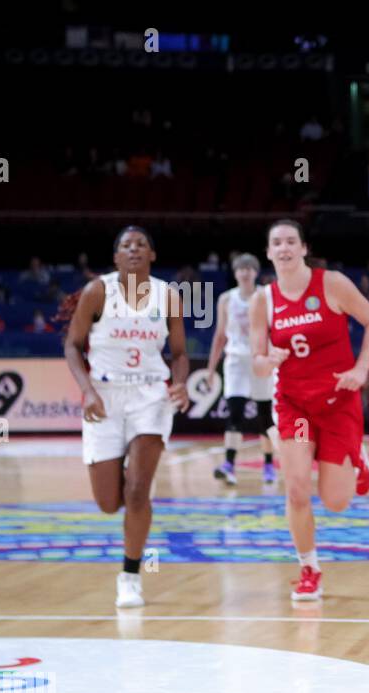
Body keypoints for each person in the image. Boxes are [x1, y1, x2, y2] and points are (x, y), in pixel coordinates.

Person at [248, 220, 369, 601]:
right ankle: (309, 568)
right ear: (269, 252)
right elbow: (257, 363)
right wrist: (268, 358)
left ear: (304, 247)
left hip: (338, 400)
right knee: (295, 490)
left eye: (291, 241)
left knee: (336, 501)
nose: (285, 248)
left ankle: (358, 458)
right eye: (277, 243)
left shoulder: (332, 284)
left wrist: (361, 369)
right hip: (295, 407)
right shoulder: (264, 299)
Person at [62, 226, 190, 607]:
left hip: (150, 394)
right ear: (116, 257)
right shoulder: (97, 292)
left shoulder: (168, 296)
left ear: (152, 254)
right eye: (125, 245)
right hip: (104, 395)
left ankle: (130, 576)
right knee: (107, 502)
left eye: (141, 245)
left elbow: (180, 354)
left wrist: (179, 383)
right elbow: (72, 345)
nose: (133, 249)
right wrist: (86, 390)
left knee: (137, 492)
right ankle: (125, 473)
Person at [206, 254, 277, 486]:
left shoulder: (265, 297)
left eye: (249, 268)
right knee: (234, 414)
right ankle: (228, 465)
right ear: (235, 273)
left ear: (256, 272)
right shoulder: (227, 299)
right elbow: (219, 336)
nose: (245, 272)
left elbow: (274, 331)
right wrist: (210, 369)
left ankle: (268, 465)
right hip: (236, 361)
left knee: (265, 416)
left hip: (260, 360)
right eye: (241, 269)